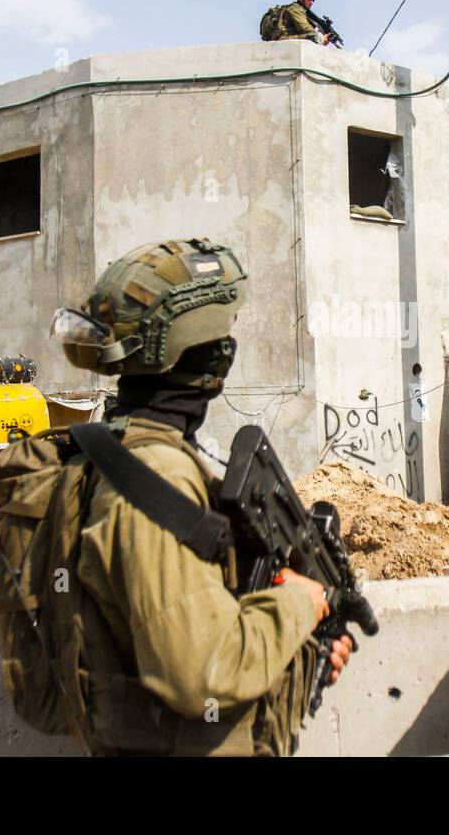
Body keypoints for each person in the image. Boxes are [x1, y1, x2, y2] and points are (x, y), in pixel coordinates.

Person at [42, 237, 351, 755]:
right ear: (203, 355)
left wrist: (300, 644)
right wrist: (303, 601)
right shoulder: (152, 475)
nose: (228, 348)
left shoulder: (131, 451)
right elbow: (203, 672)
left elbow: (196, 609)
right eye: (222, 335)